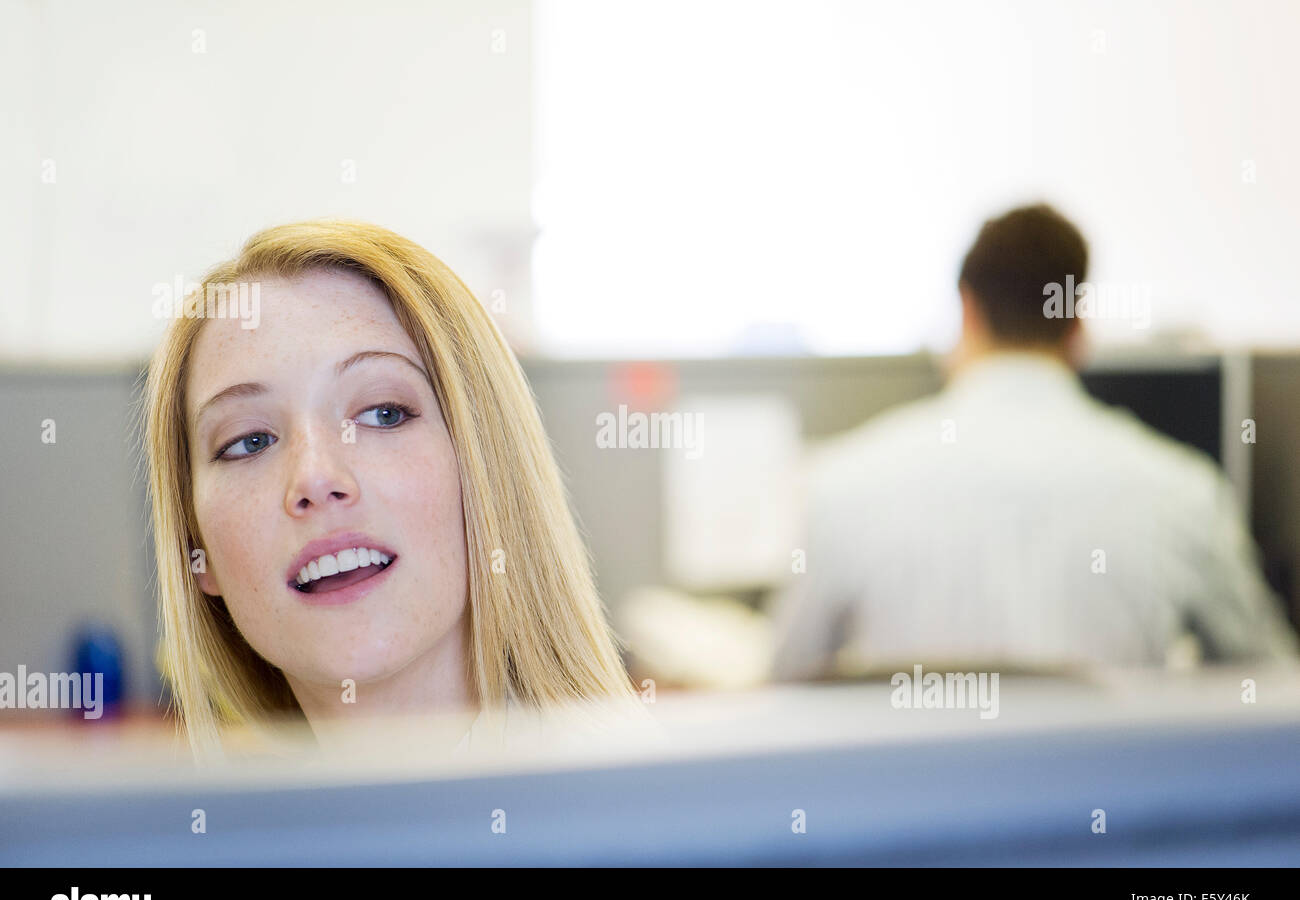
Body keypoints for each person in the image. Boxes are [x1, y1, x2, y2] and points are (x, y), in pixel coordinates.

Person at [142, 219, 653, 763]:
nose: (315, 478)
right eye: (249, 441)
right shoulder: (221, 841)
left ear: (488, 468)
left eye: (383, 414)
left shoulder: (644, 829)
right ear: (198, 551)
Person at [769, 204, 1298, 680]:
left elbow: (782, 685)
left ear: (967, 310)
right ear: (1076, 324)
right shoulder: (1183, 492)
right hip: (1111, 789)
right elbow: (1272, 690)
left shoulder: (844, 485)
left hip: (923, 788)